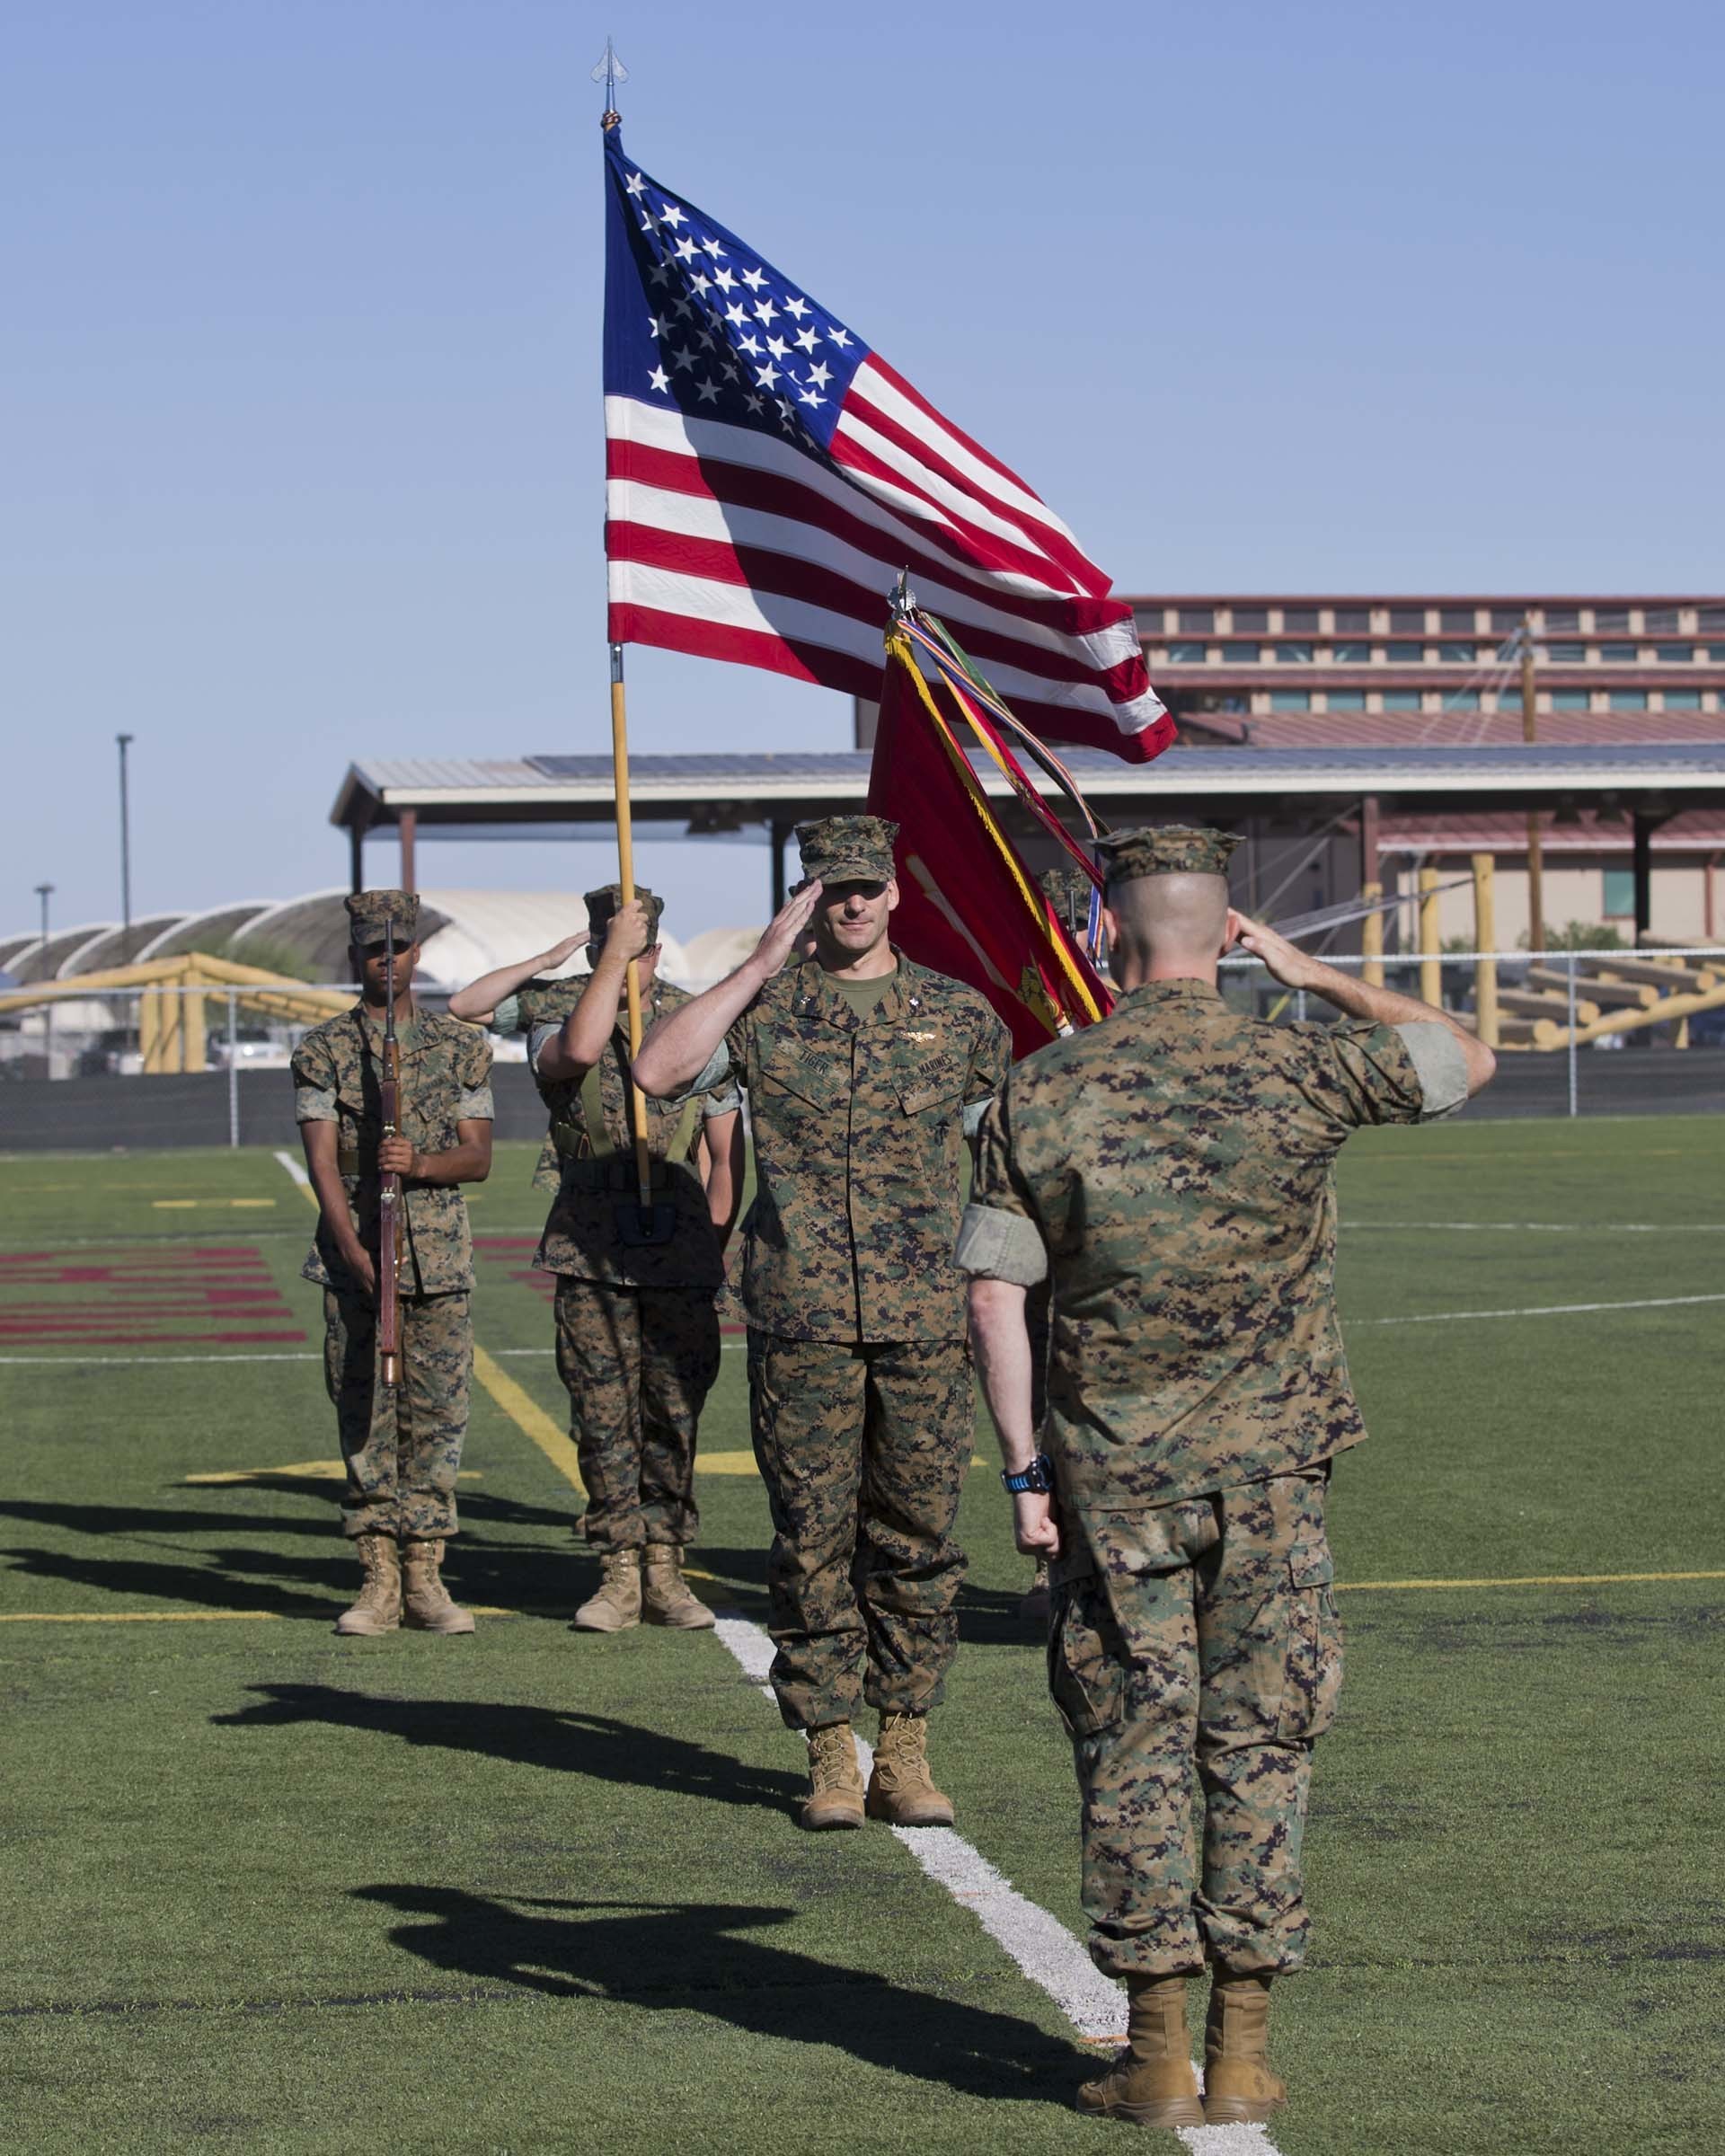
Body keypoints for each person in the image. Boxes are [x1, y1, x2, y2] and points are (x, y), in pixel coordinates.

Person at [959, 826, 1496, 2130]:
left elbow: (992, 1295)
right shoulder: (1298, 1061)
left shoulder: (1041, 1089)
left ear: (1108, 937)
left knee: (1132, 1740)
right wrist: (1317, 979)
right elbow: (1468, 1056)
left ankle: (1152, 2050)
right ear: (1224, 934)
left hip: (1114, 1481)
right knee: (1261, 1740)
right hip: (1271, 1477)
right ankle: (1245, 2045)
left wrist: (1025, 1472)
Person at [633, 817, 1010, 1832]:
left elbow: (1005, 1156)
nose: (851, 903)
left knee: (920, 1538)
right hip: (801, 1317)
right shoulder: (767, 1011)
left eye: (867, 886)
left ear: (897, 892)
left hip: (927, 1317)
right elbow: (658, 1073)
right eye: (831, 887)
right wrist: (757, 964)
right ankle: (830, 1753)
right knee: (811, 1541)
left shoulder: (960, 1016)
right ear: (806, 894)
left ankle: (906, 1745)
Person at [518, 884, 745, 1632]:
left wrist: (709, 1245)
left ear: (658, 946)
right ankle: (618, 1567)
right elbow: (575, 1055)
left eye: (641, 947)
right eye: (611, 946)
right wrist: (606, 968)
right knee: (602, 1412)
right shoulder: (558, 1009)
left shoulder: (694, 1017)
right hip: (592, 1249)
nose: (630, 962)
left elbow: (723, 1155)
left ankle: (666, 1565)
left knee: (674, 1412)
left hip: (677, 1251)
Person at [292, 889, 495, 1638]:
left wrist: (422, 1162)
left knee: (439, 1417)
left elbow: (478, 1158)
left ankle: (426, 1574)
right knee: (365, 1413)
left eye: (400, 948)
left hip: (437, 1257)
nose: (388, 961)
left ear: (417, 953)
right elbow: (320, 1160)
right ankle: (377, 1575)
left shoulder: (460, 1045)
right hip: (356, 1258)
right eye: (375, 949)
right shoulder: (322, 1048)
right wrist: (351, 1248)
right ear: (356, 956)